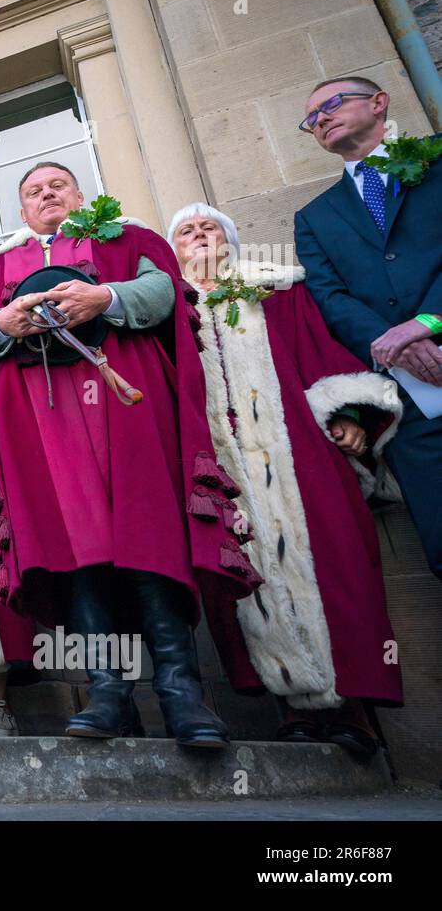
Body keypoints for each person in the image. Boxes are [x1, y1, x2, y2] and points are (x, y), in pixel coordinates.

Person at [0, 162, 258, 748]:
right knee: (77, 552)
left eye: (57, 186)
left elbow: (164, 294)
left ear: (80, 194)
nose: (46, 196)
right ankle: (108, 692)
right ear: (21, 213)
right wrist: (3, 319)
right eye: (32, 193)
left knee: (150, 539)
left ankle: (182, 693)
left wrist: (105, 296)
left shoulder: (128, 238)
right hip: (43, 427)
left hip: (126, 411)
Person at [169, 204, 405, 757]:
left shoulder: (278, 290)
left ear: (230, 240)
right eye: (186, 231)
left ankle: (355, 708)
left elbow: (323, 356)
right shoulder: (172, 313)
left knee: (337, 567)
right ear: (173, 250)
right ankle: (291, 706)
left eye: (210, 228)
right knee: (244, 577)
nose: (199, 236)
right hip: (220, 469)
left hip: (300, 455)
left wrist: (347, 414)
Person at [294, 76, 442, 579]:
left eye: (331, 104)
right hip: (413, 405)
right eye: (311, 118)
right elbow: (329, 297)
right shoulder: (314, 217)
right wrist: (395, 345)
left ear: (378, 103)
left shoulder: (436, 159)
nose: (320, 119)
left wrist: (424, 322)